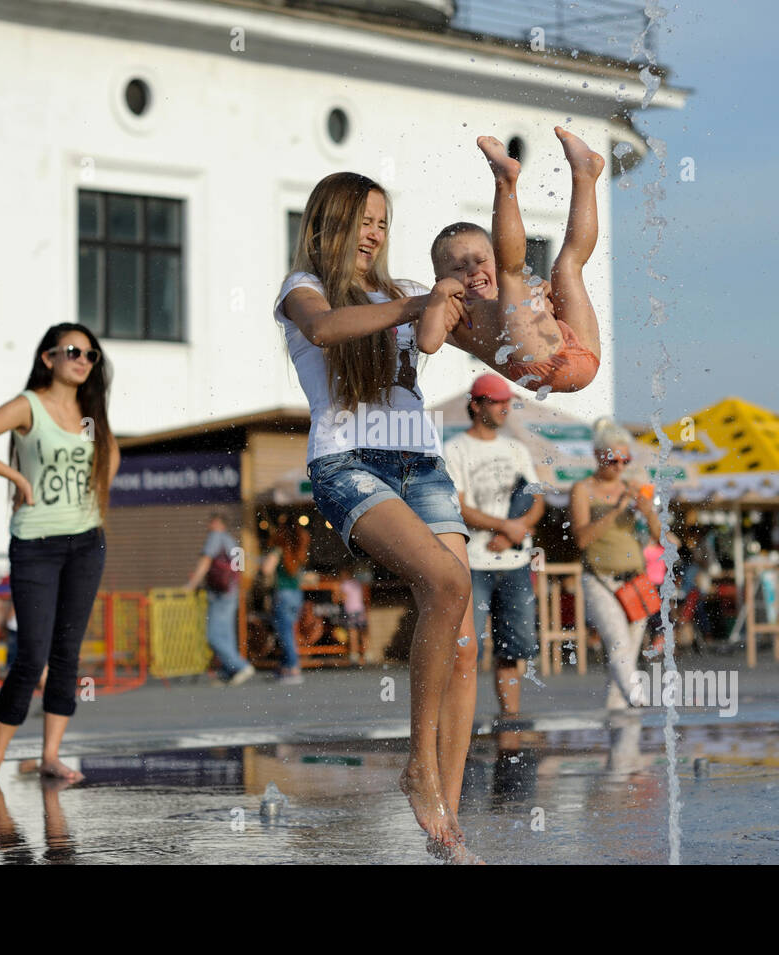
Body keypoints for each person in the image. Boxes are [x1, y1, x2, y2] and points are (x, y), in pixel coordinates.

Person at [276, 171, 480, 860]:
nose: (374, 232)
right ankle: (418, 767)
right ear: (328, 221)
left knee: (464, 642)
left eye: (383, 221)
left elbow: (429, 342)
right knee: (447, 585)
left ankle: (447, 828)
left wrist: (480, 291)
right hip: (348, 462)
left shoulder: (398, 295)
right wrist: (414, 303)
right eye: (363, 218)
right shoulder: (302, 287)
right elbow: (328, 329)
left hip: (420, 463)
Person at [0, 323, 119, 782]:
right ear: (48, 358)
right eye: (73, 352)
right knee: (32, 655)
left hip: (87, 542)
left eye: (91, 355)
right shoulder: (28, 405)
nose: (83, 361)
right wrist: (18, 478)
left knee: (67, 654)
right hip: (35, 545)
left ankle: (50, 755)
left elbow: (110, 456)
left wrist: (94, 492)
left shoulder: (90, 411)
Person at [431, 127, 605, 394]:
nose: (474, 271)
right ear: (440, 279)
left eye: (480, 260)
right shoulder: (450, 311)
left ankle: (520, 179)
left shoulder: (520, 295)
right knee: (567, 265)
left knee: (565, 266)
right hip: (581, 361)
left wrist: (549, 302)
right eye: (459, 268)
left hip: (562, 356)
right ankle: (584, 176)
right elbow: (427, 343)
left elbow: (511, 272)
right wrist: (438, 297)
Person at [443, 373, 545, 721]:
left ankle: (511, 721)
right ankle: (461, 724)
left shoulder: (516, 447)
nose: (506, 407)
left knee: (513, 649)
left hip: (514, 561)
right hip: (472, 562)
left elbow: (537, 501)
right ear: (476, 404)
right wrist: (505, 526)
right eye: (498, 401)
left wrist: (516, 530)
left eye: (507, 401)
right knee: (465, 649)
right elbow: (457, 506)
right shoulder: (455, 448)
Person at [571, 420, 662, 712]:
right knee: (618, 643)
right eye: (614, 459)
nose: (620, 466)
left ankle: (619, 725)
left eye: (626, 460)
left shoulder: (632, 488)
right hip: (599, 579)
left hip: (635, 580)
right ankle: (640, 701)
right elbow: (582, 539)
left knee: (627, 654)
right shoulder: (583, 490)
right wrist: (615, 510)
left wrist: (649, 514)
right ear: (599, 455)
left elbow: (661, 539)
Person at [188, 514, 254, 686]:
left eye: (211, 521)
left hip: (219, 593)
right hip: (231, 591)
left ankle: (240, 666)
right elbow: (240, 565)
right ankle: (230, 670)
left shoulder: (215, 537)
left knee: (214, 635)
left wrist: (192, 584)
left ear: (218, 523)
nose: (208, 525)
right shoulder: (231, 540)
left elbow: (206, 560)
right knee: (226, 635)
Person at [261, 516, 309, 685]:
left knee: (285, 632)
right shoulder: (298, 551)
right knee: (290, 631)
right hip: (296, 594)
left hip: (282, 593)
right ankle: (285, 666)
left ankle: (293, 667)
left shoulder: (279, 549)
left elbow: (266, 569)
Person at [338, 568, 369, 663]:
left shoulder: (344, 585)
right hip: (360, 609)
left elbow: (343, 598)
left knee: (353, 633)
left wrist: (337, 597)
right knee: (363, 633)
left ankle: (354, 653)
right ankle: (366, 653)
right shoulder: (357, 583)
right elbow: (363, 596)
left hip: (350, 610)